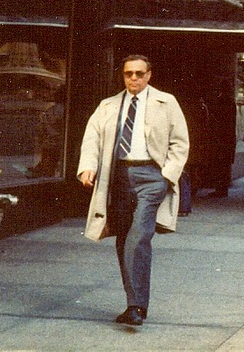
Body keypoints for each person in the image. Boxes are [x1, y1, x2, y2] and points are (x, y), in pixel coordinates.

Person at [77, 55, 189, 327]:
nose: (134, 79)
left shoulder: (166, 102)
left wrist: (166, 176)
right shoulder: (108, 106)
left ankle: (137, 306)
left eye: (140, 73)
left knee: (139, 237)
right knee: (125, 238)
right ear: (123, 76)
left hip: (152, 177)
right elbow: (92, 138)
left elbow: (180, 143)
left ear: (149, 75)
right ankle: (133, 302)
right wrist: (88, 166)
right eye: (129, 74)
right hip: (118, 177)